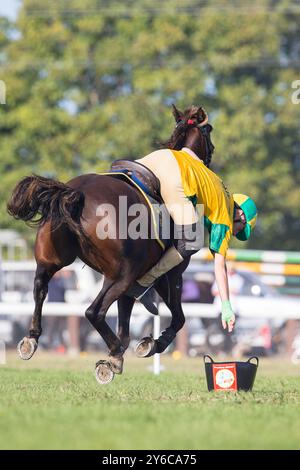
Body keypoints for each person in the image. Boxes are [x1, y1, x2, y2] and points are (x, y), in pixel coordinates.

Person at [127, 105, 257, 332]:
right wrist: (226, 306)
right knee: (193, 240)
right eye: (240, 230)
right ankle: (143, 283)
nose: (235, 234)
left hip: (158, 158)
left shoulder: (215, 189)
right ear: (241, 216)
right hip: (176, 174)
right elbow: (220, 266)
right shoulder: (225, 216)